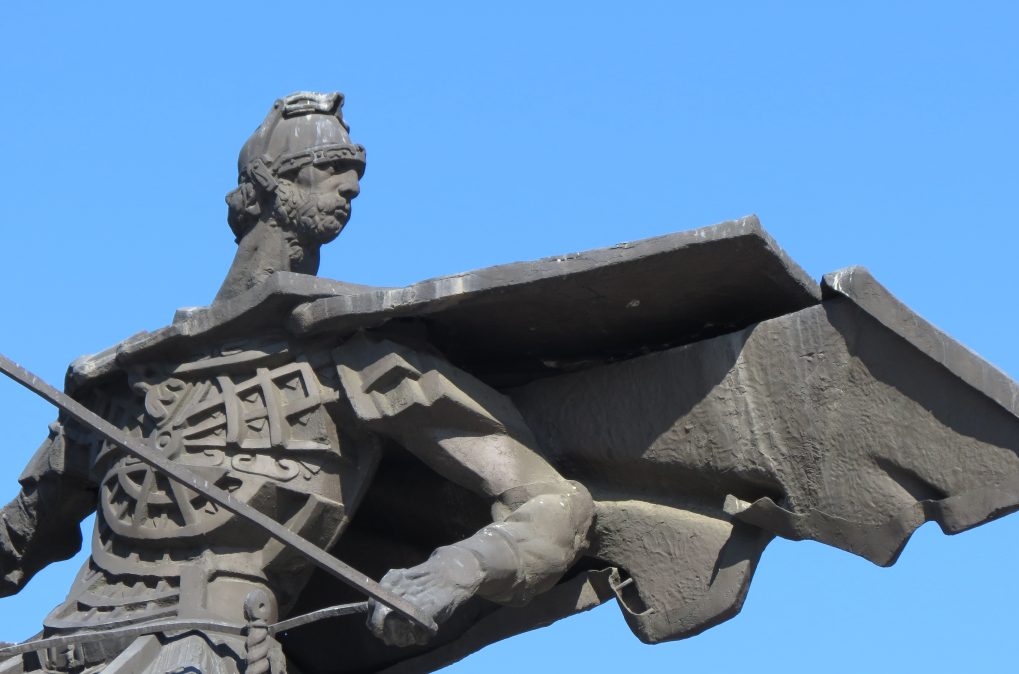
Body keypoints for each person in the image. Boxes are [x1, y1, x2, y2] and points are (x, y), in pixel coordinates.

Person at [0, 91, 594, 673]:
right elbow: (16, 540)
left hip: (208, 654)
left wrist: (454, 570)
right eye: (328, 166)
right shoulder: (121, 386)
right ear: (266, 182)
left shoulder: (355, 365)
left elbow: (555, 502)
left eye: (354, 171)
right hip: (49, 652)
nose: (351, 186)